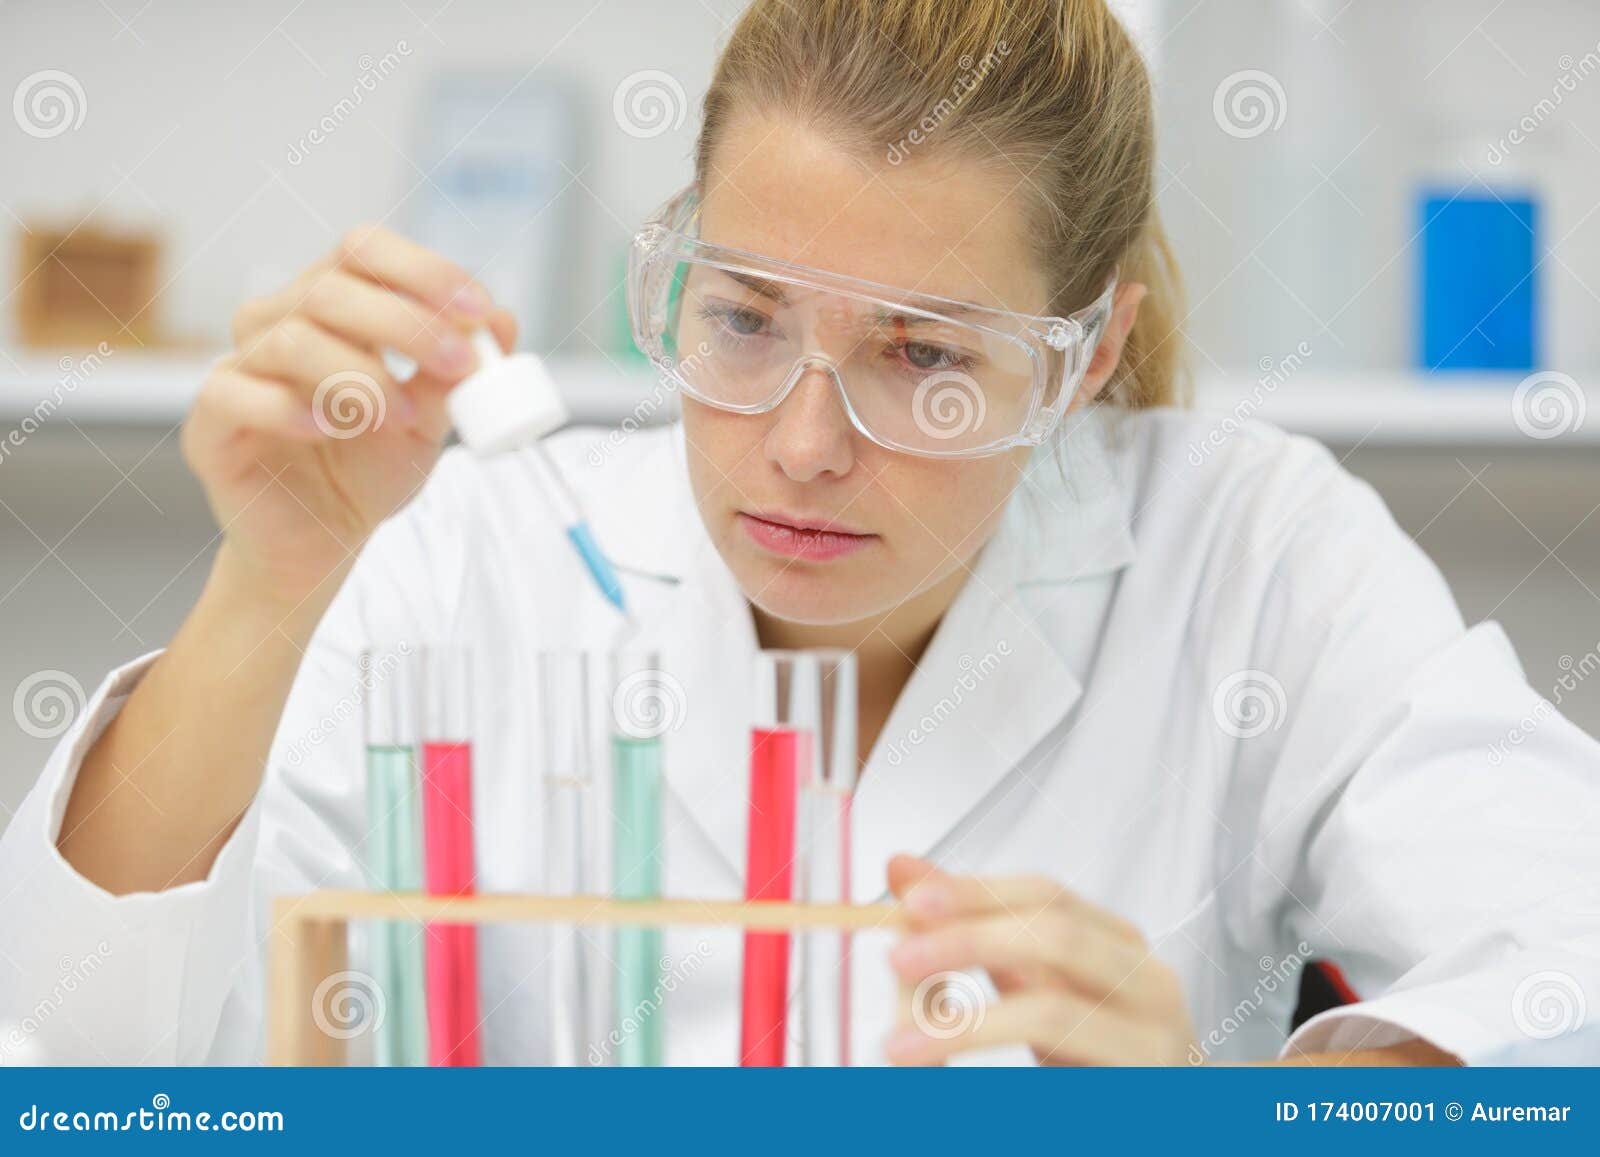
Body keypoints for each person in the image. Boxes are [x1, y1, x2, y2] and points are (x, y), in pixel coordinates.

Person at [2, 0, 1596, 1067]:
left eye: (923, 355)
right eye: (747, 316)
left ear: (1085, 354)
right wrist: (265, 589)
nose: (803, 444)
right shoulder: (468, 548)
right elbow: (76, 1059)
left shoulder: (1252, 553)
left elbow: (1563, 982)